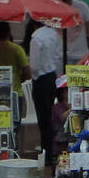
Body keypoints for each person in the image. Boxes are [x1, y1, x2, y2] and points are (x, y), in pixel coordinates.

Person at [29, 21, 63, 166]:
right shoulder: (54, 34)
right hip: (52, 76)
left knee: (43, 118)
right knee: (51, 115)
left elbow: (34, 65)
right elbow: (58, 55)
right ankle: (51, 150)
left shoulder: (36, 37)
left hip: (41, 79)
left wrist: (34, 76)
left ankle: (46, 153)